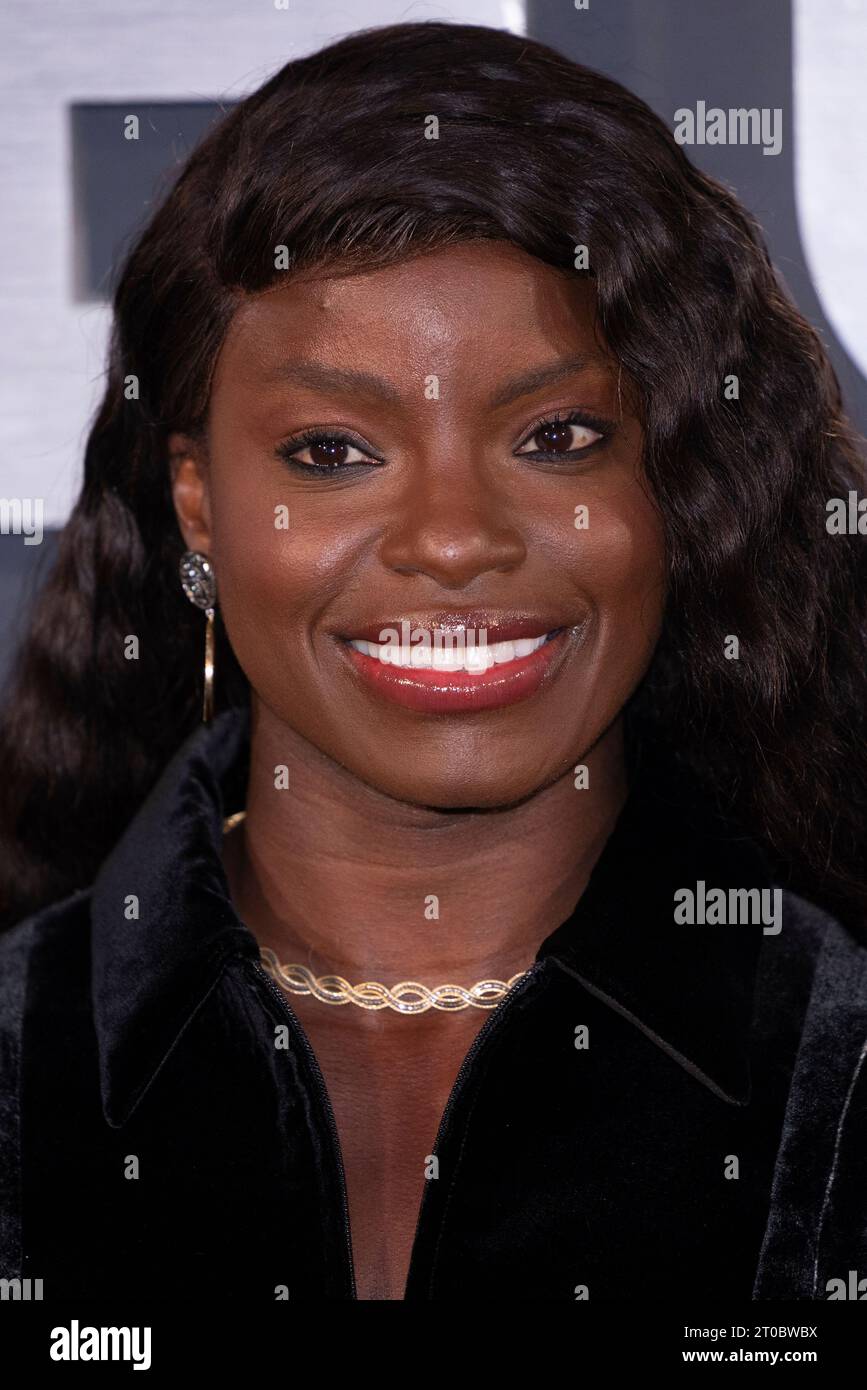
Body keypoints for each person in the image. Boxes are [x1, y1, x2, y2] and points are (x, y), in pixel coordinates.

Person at [0, 21, 864, 1303]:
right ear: (197, 502)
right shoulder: (27, 1050)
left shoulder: (838, 1064)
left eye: (559, 434)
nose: (454, 539)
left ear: (676, 489)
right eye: (334, 451)